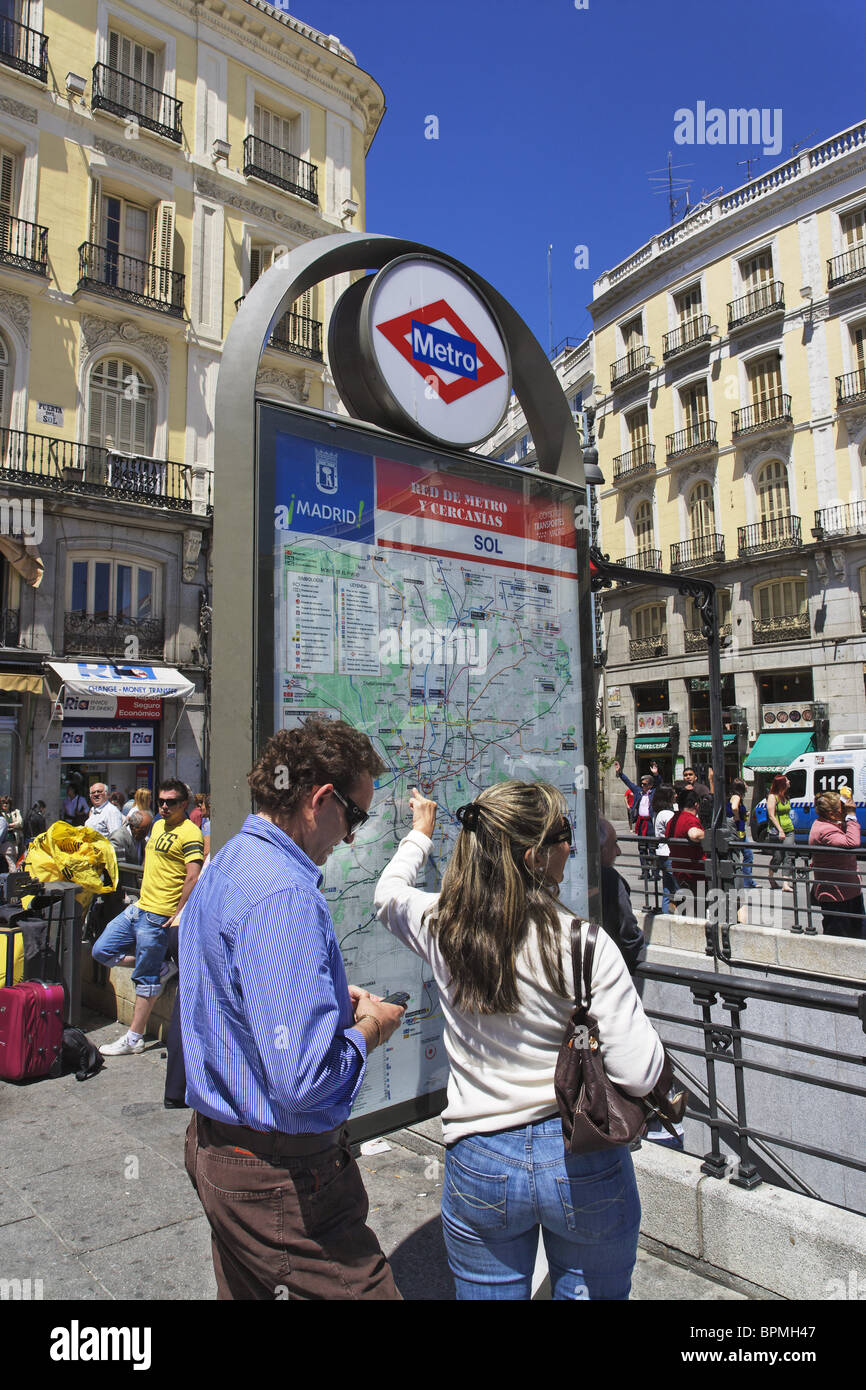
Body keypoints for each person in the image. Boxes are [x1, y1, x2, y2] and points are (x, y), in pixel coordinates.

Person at [375, 781, 665, 1301]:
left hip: (479, 1155)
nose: (572, 847)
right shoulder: (584, 944)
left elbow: (387, 894)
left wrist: (419, 834)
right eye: (564, 835)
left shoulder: (442, 925)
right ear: (534, 856)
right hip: (581, 1157)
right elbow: (640, 1074)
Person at [180, 719, 406, 1301]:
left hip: (217, 1148)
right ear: (320, 800)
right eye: (353, 818)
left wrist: (328, 999)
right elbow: (304, 1084)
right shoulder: (284, 892)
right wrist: (370, 1030)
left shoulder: (231, 860)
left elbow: (226, 992)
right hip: (279, 1180)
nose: (352, 839)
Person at [93, 779, 203, 1057]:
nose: (164, 806)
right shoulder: (156, 825)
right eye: (161, 801)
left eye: (171, 802)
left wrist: (178, 912)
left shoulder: (190, 832)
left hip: (160, 915)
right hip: (139, 907)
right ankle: (162, 968)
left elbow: (193, 875)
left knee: (146, 978)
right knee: (101, 950)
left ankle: (134, 1037)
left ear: (184, 804)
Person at [808, 792, 865, 938]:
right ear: (832, 814)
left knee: (858, 933)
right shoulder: (825, 830)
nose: (845, 811)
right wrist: (851, 815)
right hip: (836, 894)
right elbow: (852, 842)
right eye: (842, 809)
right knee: (838, 934)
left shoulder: (828, 824)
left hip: (847, 890)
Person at [598, 817, 646, 972]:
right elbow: (628, 933)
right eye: (613, 845)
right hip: (607, 969)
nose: (619, 851)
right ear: (600, 849)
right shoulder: (611, 879)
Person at [614, 759, 661, 880]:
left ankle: (655, 873)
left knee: (652, 849)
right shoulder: (638, 791)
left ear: (650, 785)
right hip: (640, 823)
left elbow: (659, 783)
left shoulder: (654, 792)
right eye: (642, 784)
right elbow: (629, 783)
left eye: (645, 784)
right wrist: (620, 772)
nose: (642, 786)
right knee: (642, 848)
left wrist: (656, 774)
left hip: (650, 823)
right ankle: (645, 872)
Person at [664, 788, 706, 913]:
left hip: (679, 870)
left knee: (687, 907)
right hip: (694, 873)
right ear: (696, 805)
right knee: (698, 910)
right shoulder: (689, 819)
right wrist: (709, 835)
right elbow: (694, 834)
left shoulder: (673, 820)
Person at [652, 785, 680, 912]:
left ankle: (665, 914)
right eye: (673, 794)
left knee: (667, 890)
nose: (676, 796)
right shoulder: (667, 814)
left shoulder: (658, 813)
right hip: (669, 853)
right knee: (678, 888)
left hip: (662, 853)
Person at [766, 774, 795, 893]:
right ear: (782, 783)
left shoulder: (786, 796)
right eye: (787, 780)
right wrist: (780, 830)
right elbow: (771, 815)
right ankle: (771, 876)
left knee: (788, 855)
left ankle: (785, 884)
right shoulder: (773, 797)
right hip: (776, 831)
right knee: (778, 857)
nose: (789, 781)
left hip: (789, 830)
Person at [727, 778, 756, 891]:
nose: (747, 786)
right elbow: (734, 807)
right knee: (747, 854)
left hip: (740, 829)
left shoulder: (736, 797)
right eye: (745, 784)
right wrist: (737, 815)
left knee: (744, 853)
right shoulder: (737, 797)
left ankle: (747, 880)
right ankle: (746, 881)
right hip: (738, 830)